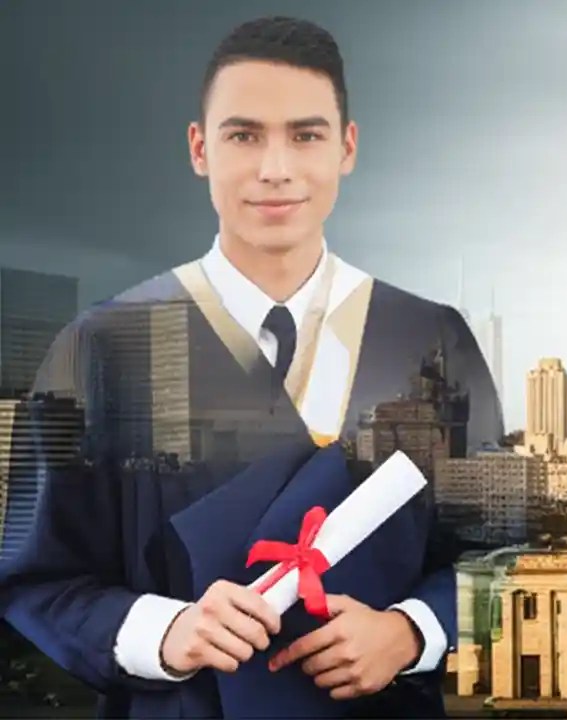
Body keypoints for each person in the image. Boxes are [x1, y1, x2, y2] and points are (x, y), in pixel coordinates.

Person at [0, 15, 502, 718]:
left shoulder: (430, 340)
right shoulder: (100, 347)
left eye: (306, 135)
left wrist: (411, 631)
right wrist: (164, 631)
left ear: (347, 148)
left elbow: (502, 552)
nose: (276, 168)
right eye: (244, 136)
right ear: (199, 148)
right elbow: (38, 578)